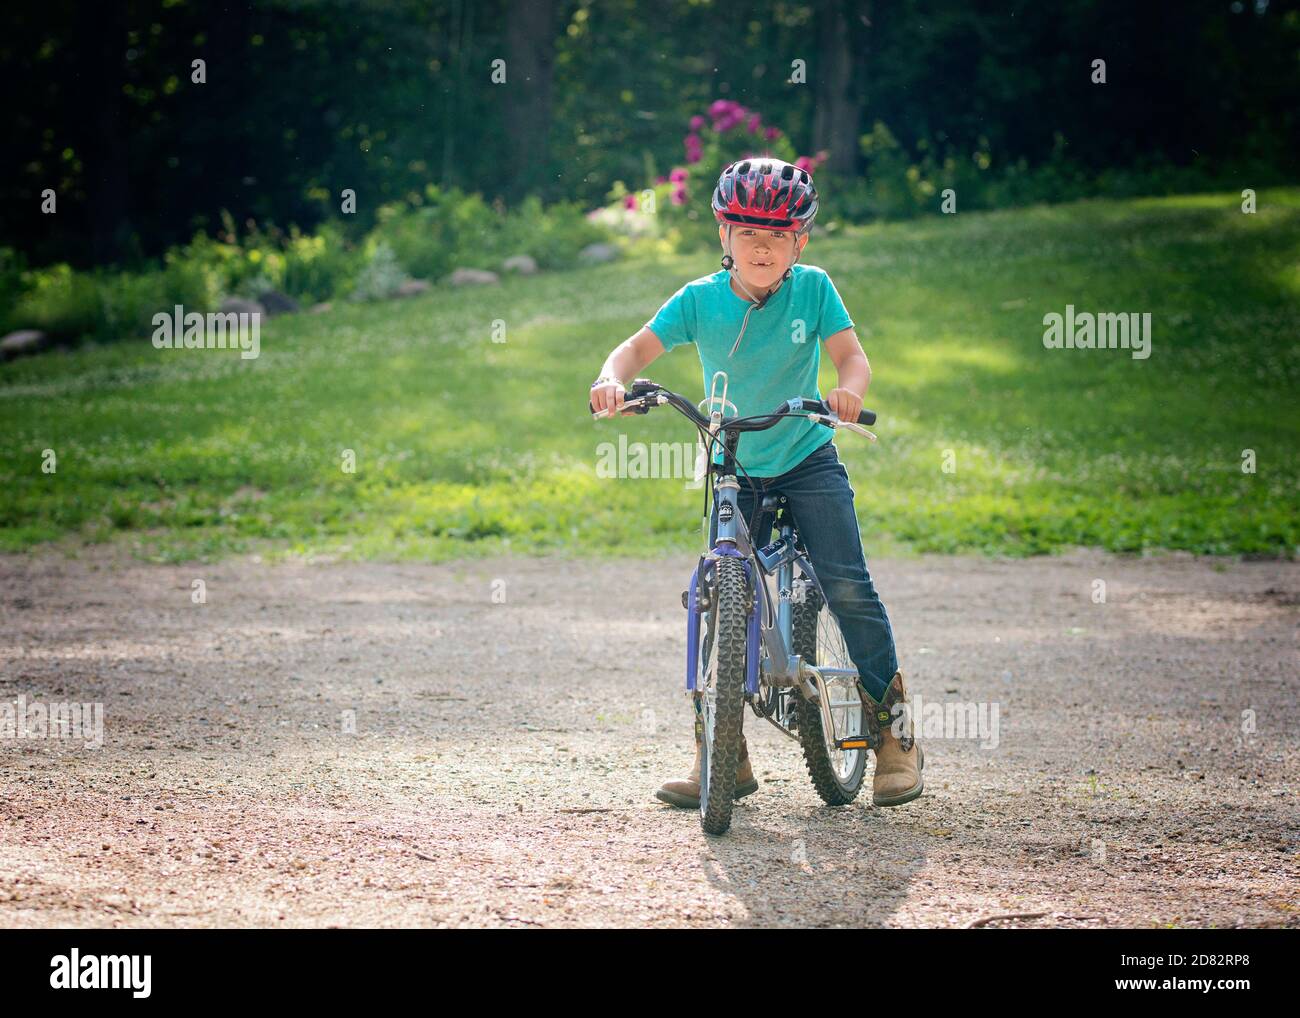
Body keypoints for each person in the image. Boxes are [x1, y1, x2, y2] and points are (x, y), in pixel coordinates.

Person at [589, 158, 922, 810]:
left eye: (778, 234)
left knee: (848, 585)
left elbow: (852, 357)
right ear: (723, 235)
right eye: (747, 232)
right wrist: (610, 380)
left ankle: (893, 737)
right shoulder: (699, 301)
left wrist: (847, 394)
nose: (762, 246)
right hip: (733, 460)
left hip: (805, 455)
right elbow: (632, 351)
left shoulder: (815, 290)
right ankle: (721, 750)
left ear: (801, 241)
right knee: (719, 589)